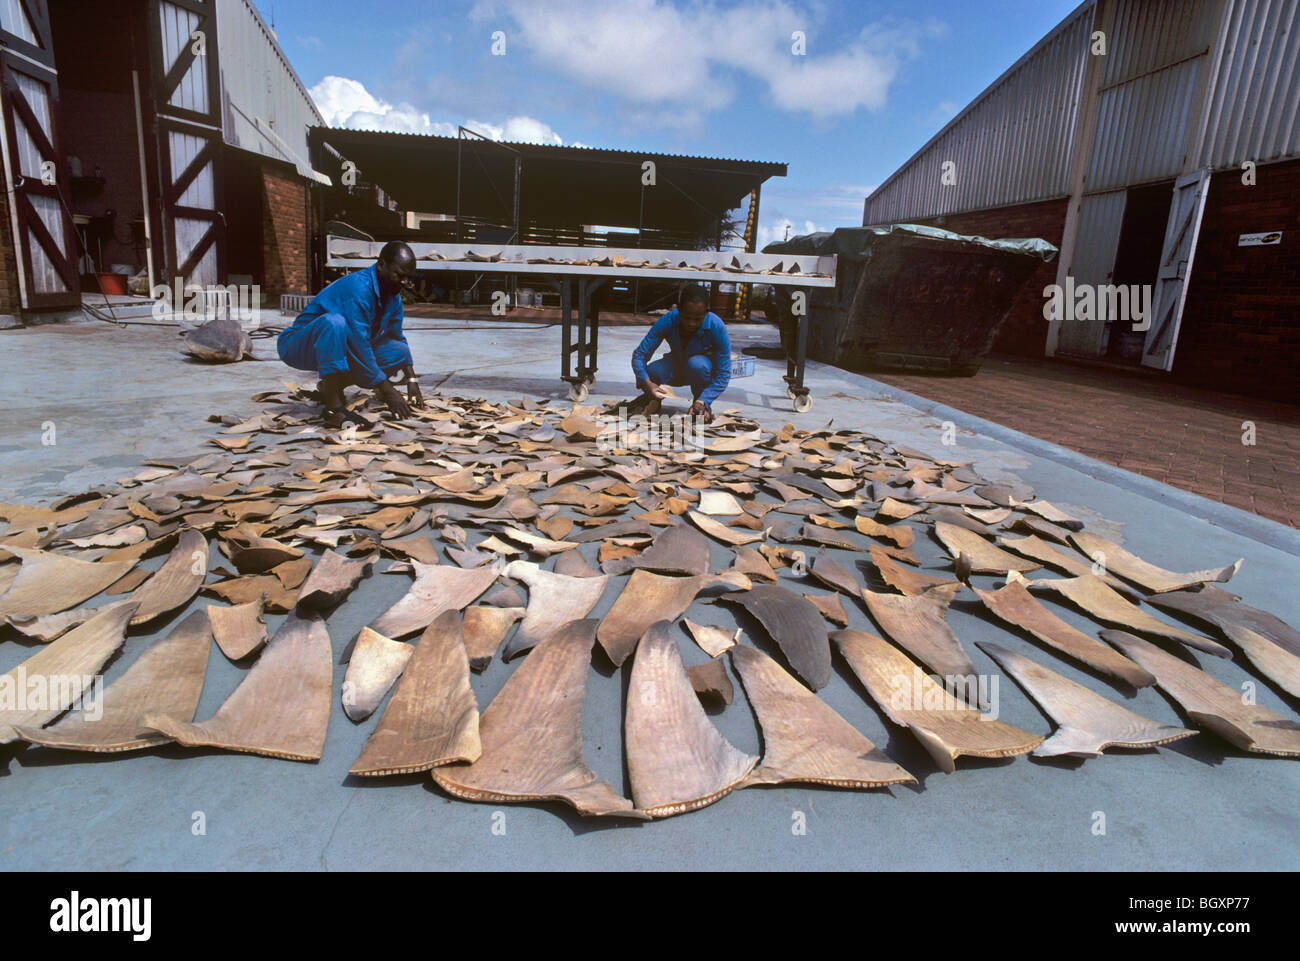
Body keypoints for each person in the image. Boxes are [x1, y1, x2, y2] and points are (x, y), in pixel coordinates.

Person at [277, 241, 424, 426]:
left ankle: (331, 386)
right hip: (298, 344)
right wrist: (387, 390)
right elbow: (359, 343)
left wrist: (411, 379)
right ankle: (333, 409)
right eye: (400, 275)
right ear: (381, 264)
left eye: (408, 278)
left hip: (335, 344)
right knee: (334, 323)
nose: (404, 283)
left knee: (398, 352)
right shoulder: (359, 288)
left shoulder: (393, 296)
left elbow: (396, 337)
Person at [631, 284, 731, 422]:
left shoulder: (717, 326)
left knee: (698, 365)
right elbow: (639, 356)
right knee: (652, 371)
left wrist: (704, 400)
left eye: (697, 319)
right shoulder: (668, 320)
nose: (691, 323)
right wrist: (647, 382)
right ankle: (653, 399)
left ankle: (700, 404)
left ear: (706, 312)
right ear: (679, 309)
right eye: (686, 317)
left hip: (701, 372)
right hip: (676, 367)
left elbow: (724, 373)